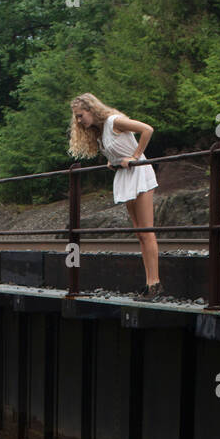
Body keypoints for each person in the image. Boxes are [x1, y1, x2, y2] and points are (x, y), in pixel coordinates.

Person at [68, 93, 162, 299]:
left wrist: (135, 156)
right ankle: (149, 283)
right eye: (76, 117)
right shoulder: (100, 132)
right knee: (139, 233)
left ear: (91, 110)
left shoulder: (113, 121)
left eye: (80, 115)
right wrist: (115, 160)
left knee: (147, 231)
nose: (78, 120)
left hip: (139, 172)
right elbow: (118, 151)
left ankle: (155, 284)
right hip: (125, 175)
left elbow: (147, 130)